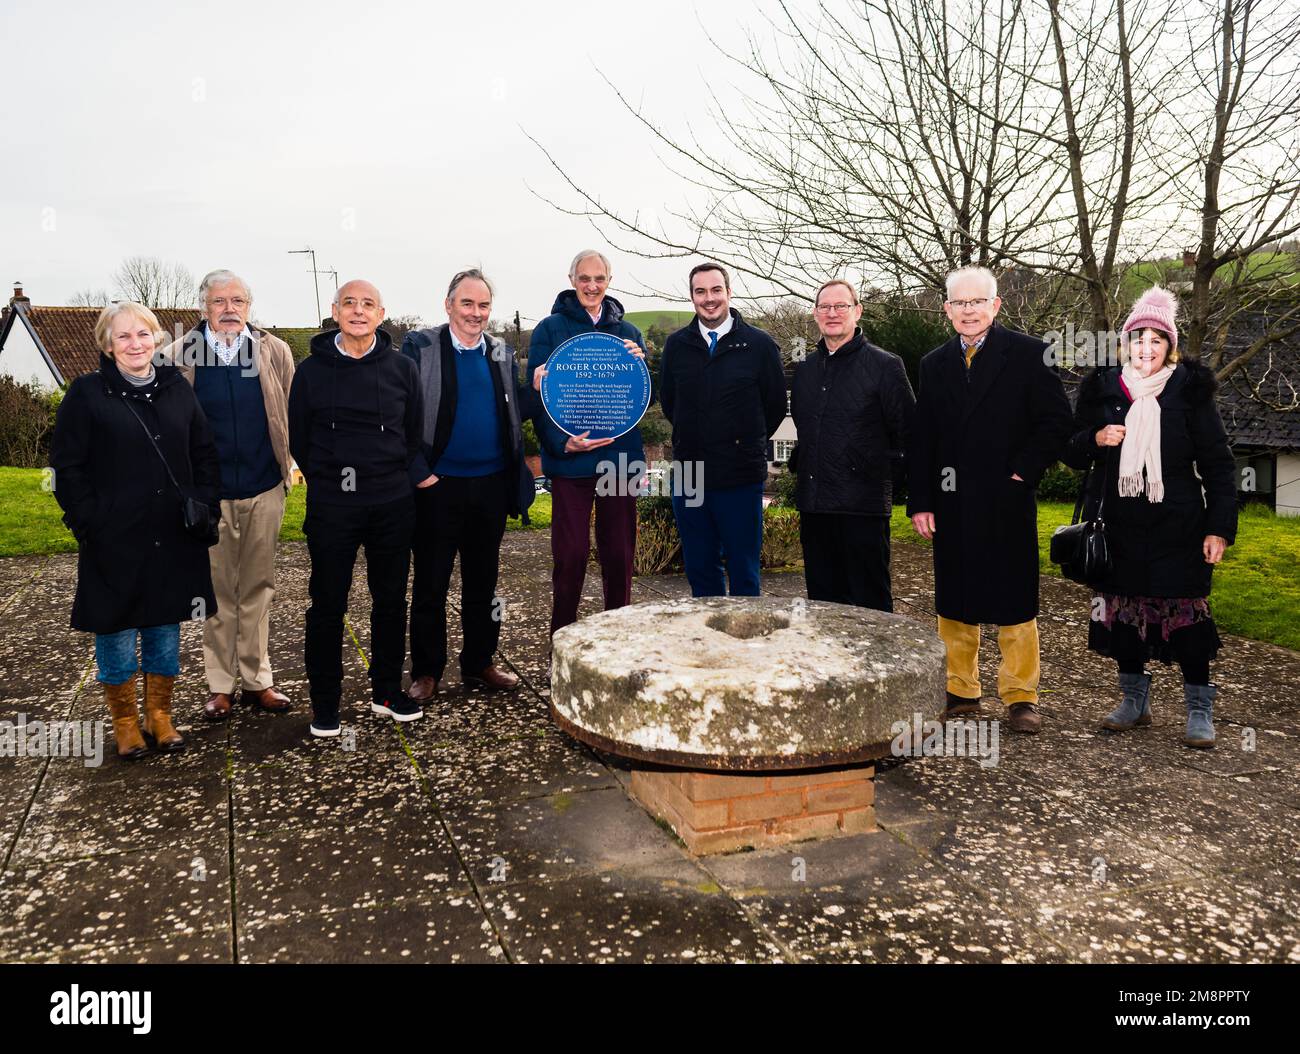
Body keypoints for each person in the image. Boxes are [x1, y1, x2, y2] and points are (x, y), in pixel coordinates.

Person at [1062, 286, 1236, 748]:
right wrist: (1095, 438)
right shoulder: (1102, 388)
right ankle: (1133, 700)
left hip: (1179, 524)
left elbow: (1218, 463)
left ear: (1169, 346)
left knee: (1188, 618)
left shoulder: (1189, 391)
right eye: (1138, 339)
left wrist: (1220, 527)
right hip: (1117, 522)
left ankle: (1199, 708)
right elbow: (1070, 449)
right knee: (1123, 614)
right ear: (1124, 343)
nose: (1146, 348)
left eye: (1156, 340)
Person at [50, 302, 220, 759]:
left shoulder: (177, 389)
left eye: (143, 334)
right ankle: (125, 723)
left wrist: (205, 504)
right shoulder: (88, 393)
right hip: (115, 535)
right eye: (123, 336)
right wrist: (89, 520)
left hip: (173, 533)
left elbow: (204, 451)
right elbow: (67, 468)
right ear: (108, 344)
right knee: (117, 627)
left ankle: (159, 716)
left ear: (157, 339)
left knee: (164, 625)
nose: (135, 344)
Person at [907, 266, 1073, 733]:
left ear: (995, 305)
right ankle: (961, 691)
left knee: (1015, 599)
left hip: (1007, 498)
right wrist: (921, 500)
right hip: (951, 501)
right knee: (955, 599)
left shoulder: (1030, 354)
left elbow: (1057, 421)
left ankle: (1021, 697)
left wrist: (1025, 469)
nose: (968, 310)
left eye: (977, 302)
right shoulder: (933, 364)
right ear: (947, 310)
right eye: (959, 303)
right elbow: (924, 439)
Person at [288, 280, 430, 737]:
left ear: (381, 313)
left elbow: (412, 435)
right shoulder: (310, 371)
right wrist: (333, 481)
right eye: (349, 303)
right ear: (335, 311)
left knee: (390, 601)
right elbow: (299, 440)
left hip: (391, 503)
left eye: (367, 304)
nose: (358, 310)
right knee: (328, 604)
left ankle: (386, 691)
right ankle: (324, 704)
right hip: (333, 507)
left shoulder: (402, 368)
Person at [163, 269, 296, 721]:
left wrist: (290, 467)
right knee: (217, 592)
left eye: (237, 301)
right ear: (203, 308)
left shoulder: (274, 351)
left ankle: (259, 680)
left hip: (264, 486)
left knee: (259, 587)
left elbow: (289, 411)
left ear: (248, 306)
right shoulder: (178, 356)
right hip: (208, 495)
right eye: (219, 302)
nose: (229, 310)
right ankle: (220, 685)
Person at [402, 269, 534, 699]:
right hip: (438, 487)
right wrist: (420, 471)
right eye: (467, 304)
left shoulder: (500, 352)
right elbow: (400, 414)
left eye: (483, 306)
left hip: (491, 485)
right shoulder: (420, 348)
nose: (476, 313)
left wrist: (548, 381)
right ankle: (426, 671)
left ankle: (479, 663)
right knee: (431, 584)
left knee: (484, 583)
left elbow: (515, 408)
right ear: (448, 305)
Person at [527, 250, 648, 636]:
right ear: (572, 279)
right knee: (571, 556)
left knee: (618, 556)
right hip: (572, 461)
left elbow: (645, 398)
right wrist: (562, 443)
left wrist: (643, 365)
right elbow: (539, 399)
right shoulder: (549, 329)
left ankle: (619, 641)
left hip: (619, 460)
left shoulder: (629, 333)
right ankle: (562, 642)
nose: (592, 286)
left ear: (609, 280)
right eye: (584, 278)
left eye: (599, 278)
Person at [659, 262, 786, 596]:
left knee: (744, 571)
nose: (709, 298)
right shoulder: (676, 346)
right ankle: (709, 644)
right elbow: (671, 405)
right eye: (700, 291)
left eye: (716, 290)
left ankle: (745, 644)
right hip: (689, 474)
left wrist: (743, 441)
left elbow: (773, 408)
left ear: (729, 293)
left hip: (740, 473)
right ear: (692, 297)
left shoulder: (759, 345)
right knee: (700, 568)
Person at [790, 279, 915, 610]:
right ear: (815, 314)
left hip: (863, 509)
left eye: (841, 306)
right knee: (824, 607)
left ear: (857, 311)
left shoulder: (885, 365)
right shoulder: (805, 368)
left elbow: (908, 435)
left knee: (870, 608)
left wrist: (879, 479)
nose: (833, 313)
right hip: (815, 508)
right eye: (825, 307)